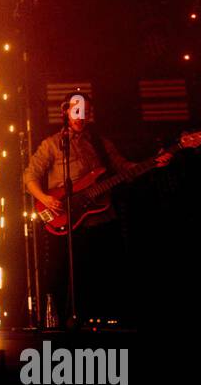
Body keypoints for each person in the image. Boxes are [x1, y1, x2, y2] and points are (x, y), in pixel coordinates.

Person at [23, 92, 171, 330]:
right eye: (76, 110)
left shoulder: (102, 144)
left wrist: (154, 162)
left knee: (108, 268)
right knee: (62, 271)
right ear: (66, 112)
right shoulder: (52, 144)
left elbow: (123, 167)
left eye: (85, 111)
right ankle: (57, 323)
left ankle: (107, 320)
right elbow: (29, 176)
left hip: (101, 216)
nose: (81, 116)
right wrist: (46, 198)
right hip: (68, 218)